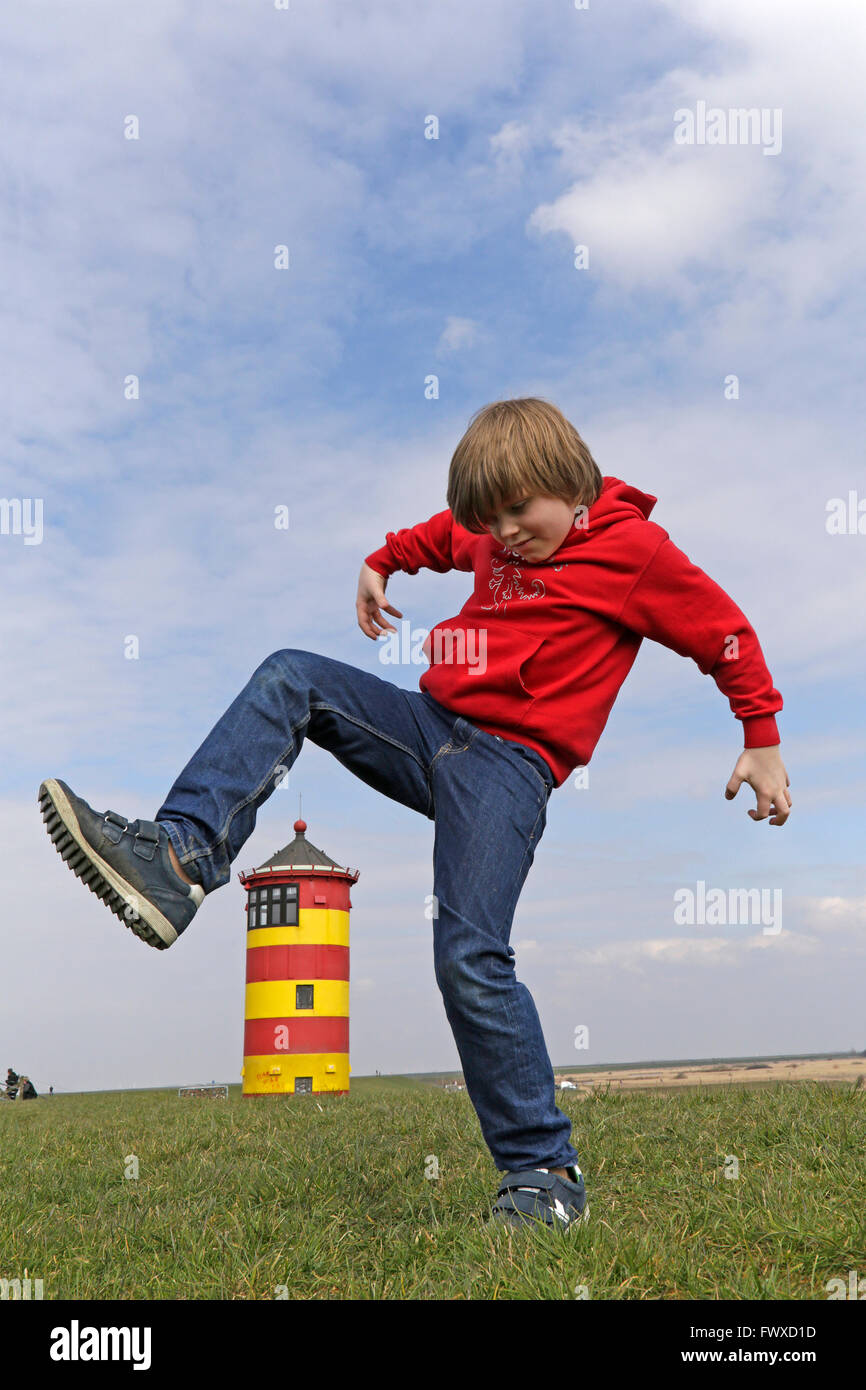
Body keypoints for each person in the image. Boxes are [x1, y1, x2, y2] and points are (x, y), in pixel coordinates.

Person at [37, 397, 791, 1232]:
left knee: (469, 955)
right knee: (292, 676)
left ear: (571, 483)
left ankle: (543, 1172)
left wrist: (760, 735)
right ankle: (178, 858)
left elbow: (723, 633)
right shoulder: (488, 528)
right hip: (427, 729)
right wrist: (379, 560)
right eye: (491, 517)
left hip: (511, 766)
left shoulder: (634, 551)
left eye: (519, 512)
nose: (504, 533)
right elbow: (440, 534)